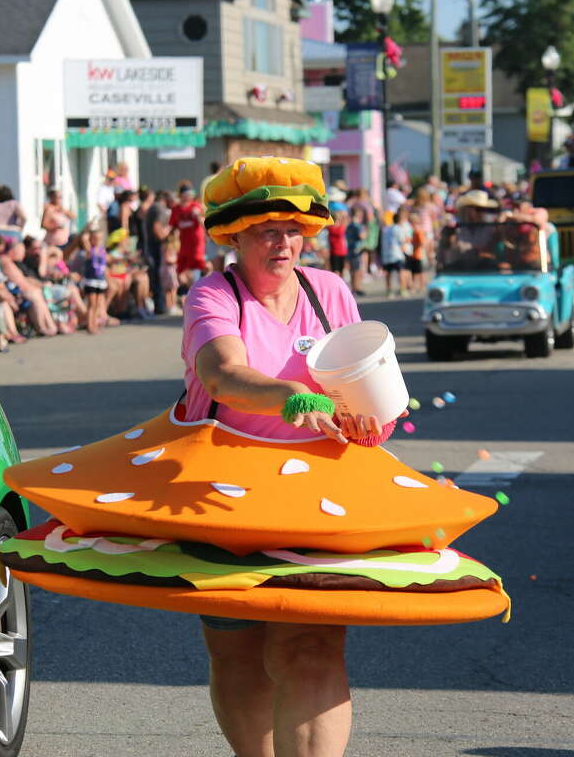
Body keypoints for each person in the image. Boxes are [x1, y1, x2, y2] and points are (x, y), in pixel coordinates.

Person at [184, 156, 382, 757]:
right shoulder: (214, 294)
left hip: (315, 494)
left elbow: (360, 379)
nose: (285, 241)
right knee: (237, 651)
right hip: (224, 492)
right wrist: (293, 397)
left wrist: (370, 414)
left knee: (313, 644)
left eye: (295, 228)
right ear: (235, 234)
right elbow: (222, 375)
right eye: (269, 229)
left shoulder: (330, 292)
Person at [173, 185, 206, 286]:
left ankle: (197, 288)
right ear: (181, 195)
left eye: (191, 195)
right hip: (183, 246)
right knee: (181, 273)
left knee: (196, 268)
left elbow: (203, 223)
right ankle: (188, 291)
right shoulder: (176, 209)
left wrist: (198, 215)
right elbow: (172, 227)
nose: (189, 197)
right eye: (187, 194)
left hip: (196, 244)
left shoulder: (195, 206)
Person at [81, 227, 110, 334]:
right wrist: (89, 228)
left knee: (98, 304)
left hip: (100, 280)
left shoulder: (102, 251)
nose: (97, 241)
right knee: (91, 304)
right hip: (91, 280)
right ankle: (90, 325)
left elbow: (107, 261)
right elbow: (84, 239)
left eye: (99, 239)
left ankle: (95, 323)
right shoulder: (90, 250)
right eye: (95, 239)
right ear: (91, 239)